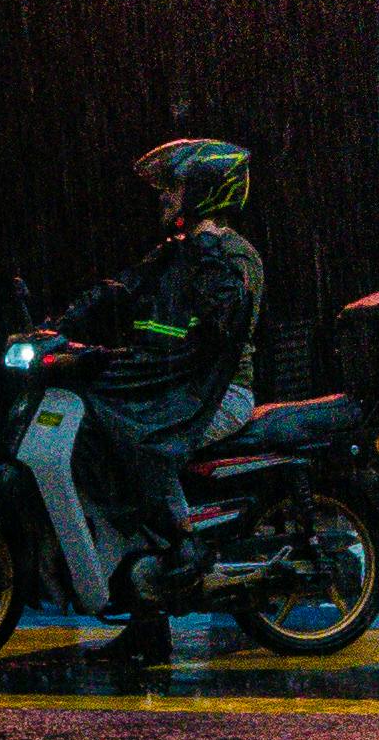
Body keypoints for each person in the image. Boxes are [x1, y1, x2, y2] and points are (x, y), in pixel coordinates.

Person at [48, 137, 266, 663]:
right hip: (173, 388)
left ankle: (186, 544)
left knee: (145, 442)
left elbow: (212, 338)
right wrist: (55, 329)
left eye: (176, 187)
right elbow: (120, 290)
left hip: (216, 396)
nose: (166, 197)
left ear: (207, 192)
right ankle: (148, 622)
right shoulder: (179, 251)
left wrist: (205, 254)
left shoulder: (232, 257)